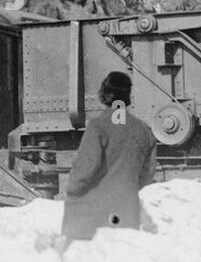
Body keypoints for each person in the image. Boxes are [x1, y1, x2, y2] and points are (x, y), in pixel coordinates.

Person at [61, 71, 158, 242]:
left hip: (94, 217)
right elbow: (148, 173)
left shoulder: (98, 126)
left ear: (104, 94)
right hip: (127, 212)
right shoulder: (143, 129)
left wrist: (72, 190)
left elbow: (85, 168)